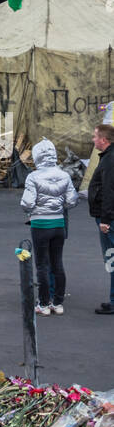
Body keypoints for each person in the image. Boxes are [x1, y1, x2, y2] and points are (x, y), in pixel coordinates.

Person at [20, 137, 78, 316]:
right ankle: (58, 303)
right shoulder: (64, 175)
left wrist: (33, 209)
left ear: (37, 156)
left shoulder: (33, 177)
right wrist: (58, 207)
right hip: (59, 223)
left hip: (40, 224)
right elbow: (72, 200)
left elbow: (27, 203)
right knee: (57, 264)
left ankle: (43, 304)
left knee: (42, 265)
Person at [88, 124, 114, 315]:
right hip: (107, 216)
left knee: (111, 258)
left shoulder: (109, 160)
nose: (93, 140)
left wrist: (105, 219)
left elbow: (108, 191)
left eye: (95, 137)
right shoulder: (108, 157)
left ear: (104, 140)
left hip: (108, 219)